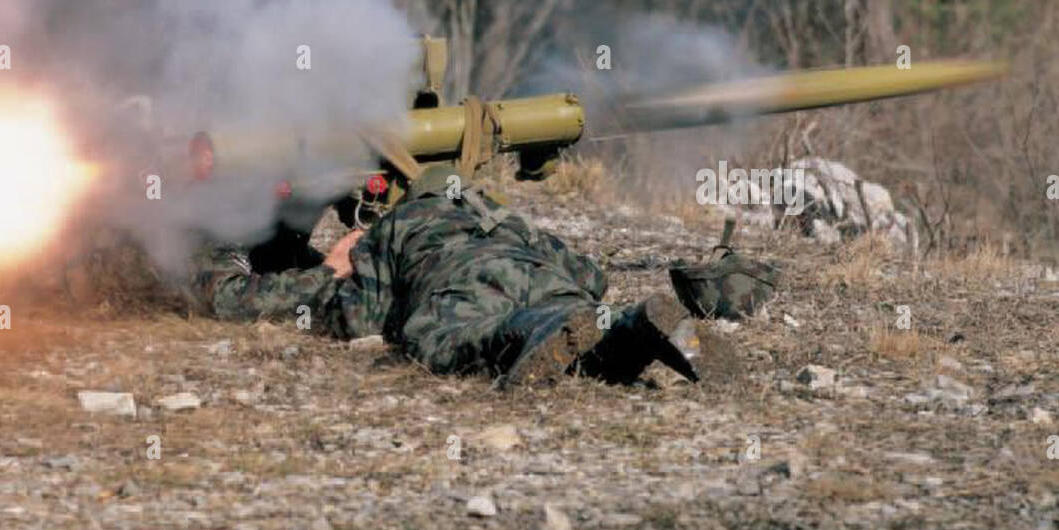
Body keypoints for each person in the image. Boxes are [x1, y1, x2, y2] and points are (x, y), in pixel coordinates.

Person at [191, 166, 773, 386]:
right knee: (586, 348)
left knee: (444, 338)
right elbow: (589, 274)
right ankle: (631, 329)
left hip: (466, 290)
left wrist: (332, 268)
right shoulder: (505, 220)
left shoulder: (397, 229)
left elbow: (356, 315)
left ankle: (541, 326)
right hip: (546, 274)